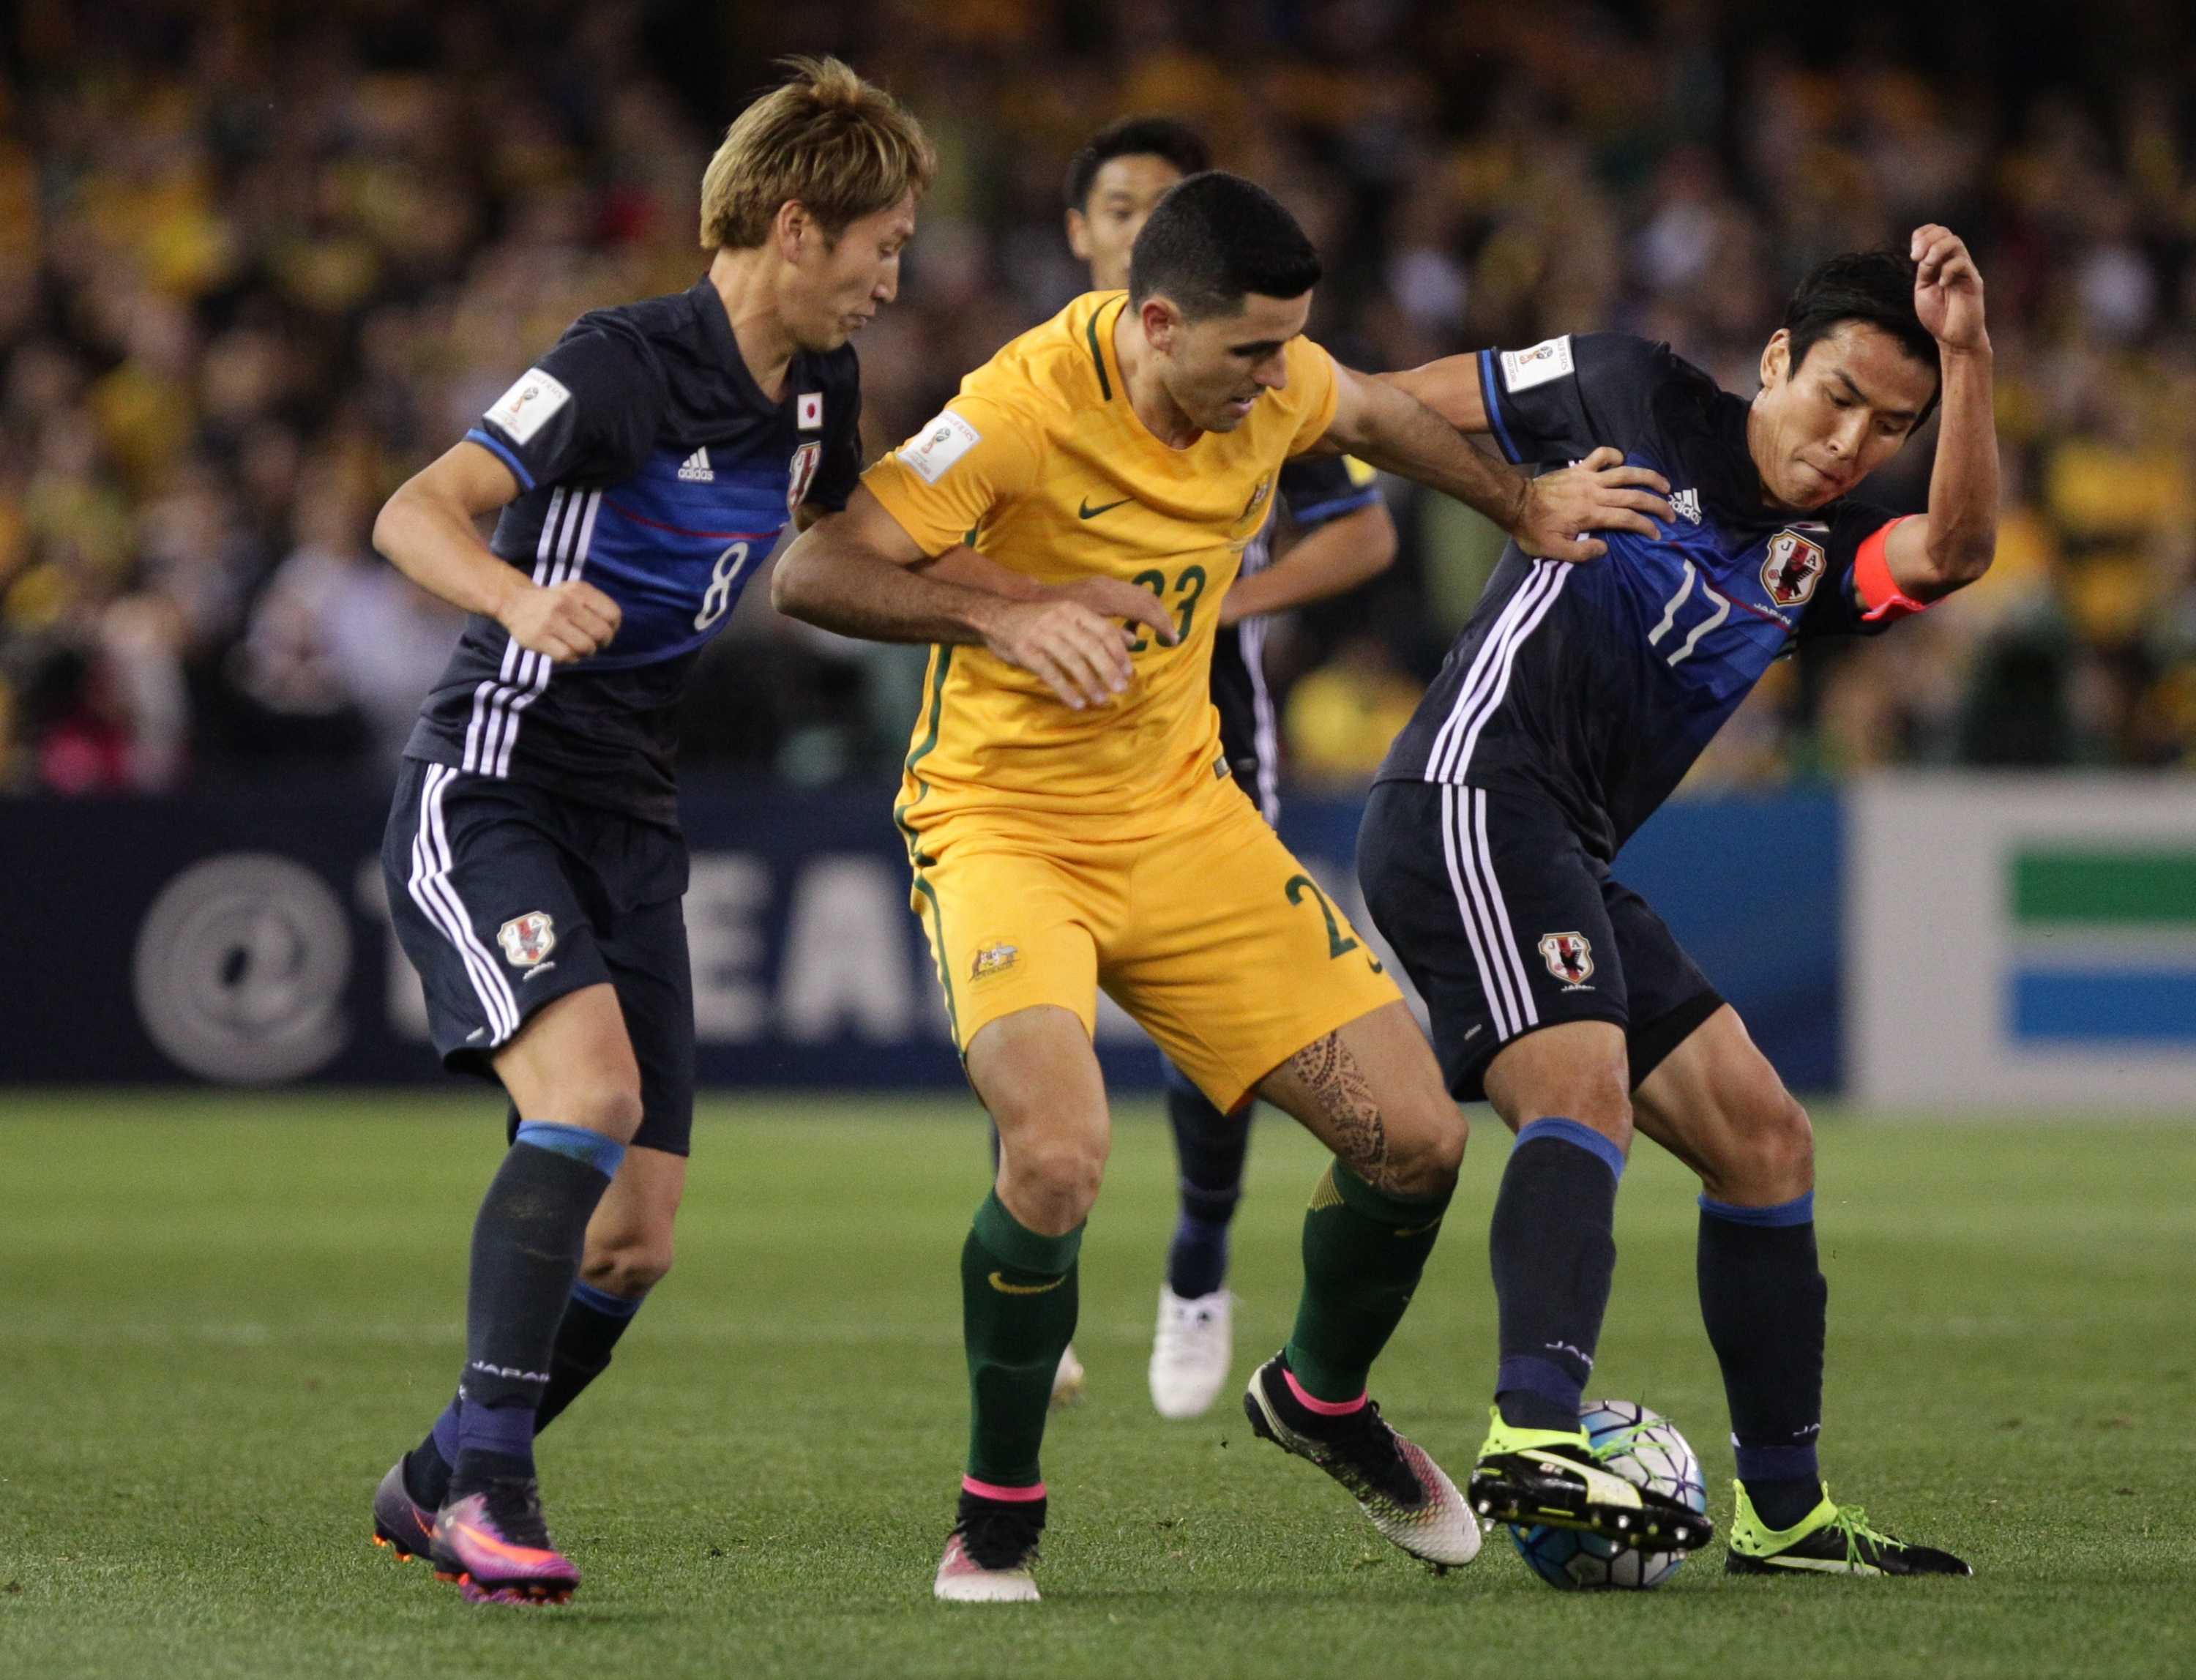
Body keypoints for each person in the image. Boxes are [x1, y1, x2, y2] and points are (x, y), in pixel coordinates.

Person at [771, 169, 1669, 1602]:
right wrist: (1011, 608)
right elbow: (819, 571)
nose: (1278, 381)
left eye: (1288, 346)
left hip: (1187, 826)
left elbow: (1377, 412)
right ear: (1155, 319)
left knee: (1419, 1141)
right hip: (1008, 828)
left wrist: (1525, 497)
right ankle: (997, 1509)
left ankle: (1319, 1394)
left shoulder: (1283, 378)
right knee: (1058, 1156)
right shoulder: (1018, 408)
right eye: (1250, 352)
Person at [362, 58, 931, 1605]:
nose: (895, 280)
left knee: (637, 1239)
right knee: (591, 1091)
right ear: (796, 226)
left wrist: (1005, 593)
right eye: (881, 245)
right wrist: (515, 595)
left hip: (630, 809)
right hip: (495, 779)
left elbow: (840, 548)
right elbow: (417, 508)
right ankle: (490, 1487)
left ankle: (432, 1474)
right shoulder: (616, 363)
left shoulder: (819, 394)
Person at [1361, 229, 1994, 1575]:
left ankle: (1785, 1513)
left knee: (1765, 1138)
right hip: (1469, 797)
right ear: (1774, 359)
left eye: (1891, 424)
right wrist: (1511, 492)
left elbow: (1949, 554)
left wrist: (1973, 359)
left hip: (1570, 849)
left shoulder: (1817, 556)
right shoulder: (1627, 391)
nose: (1849, 443)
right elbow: (1375, 404)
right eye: (1836, 397)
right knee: (1580, 1089)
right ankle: (1535, 1427)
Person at [1042, 116, 1402, 1419]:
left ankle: (1198, 1261)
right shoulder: (1024, 390)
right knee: (1035, 1000)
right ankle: (1052, 1269)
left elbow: (1362, 537)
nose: (1140, 224)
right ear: (1082, 235)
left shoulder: (1261, 378)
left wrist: (1214, 610)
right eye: (1119, 205)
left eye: (1163, 205)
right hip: (1042, 750)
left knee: (1218, 1026)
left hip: (1210, 735)